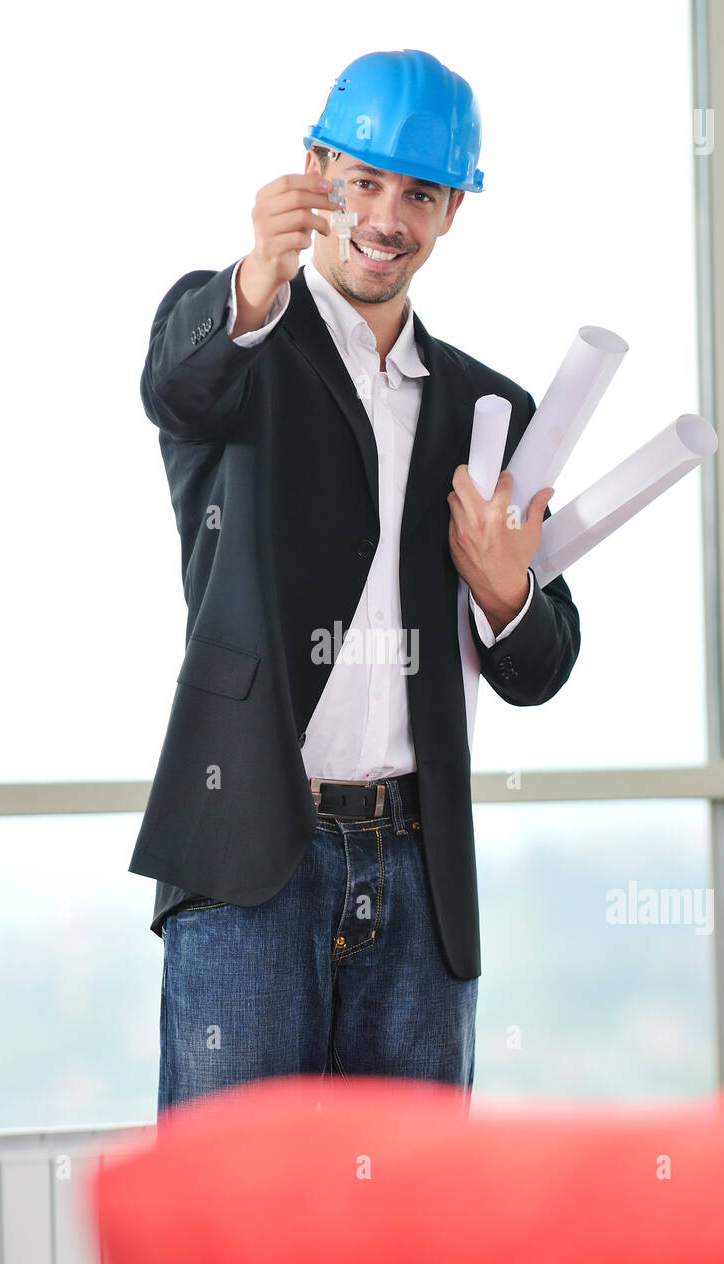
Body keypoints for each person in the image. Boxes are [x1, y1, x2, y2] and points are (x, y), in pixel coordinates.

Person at [130, 48, 581, 1115]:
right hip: (251, 855)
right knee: (234, 1207)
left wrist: (504, 593)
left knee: (412, 1212)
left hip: (420, 874)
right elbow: (175, 390)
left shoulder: (488, 410)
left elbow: (542, 665)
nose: (385, 218)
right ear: (314, 170)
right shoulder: (240, 340)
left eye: (419, 194)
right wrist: (256, 277)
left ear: (452, 212)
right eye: (363, 181)